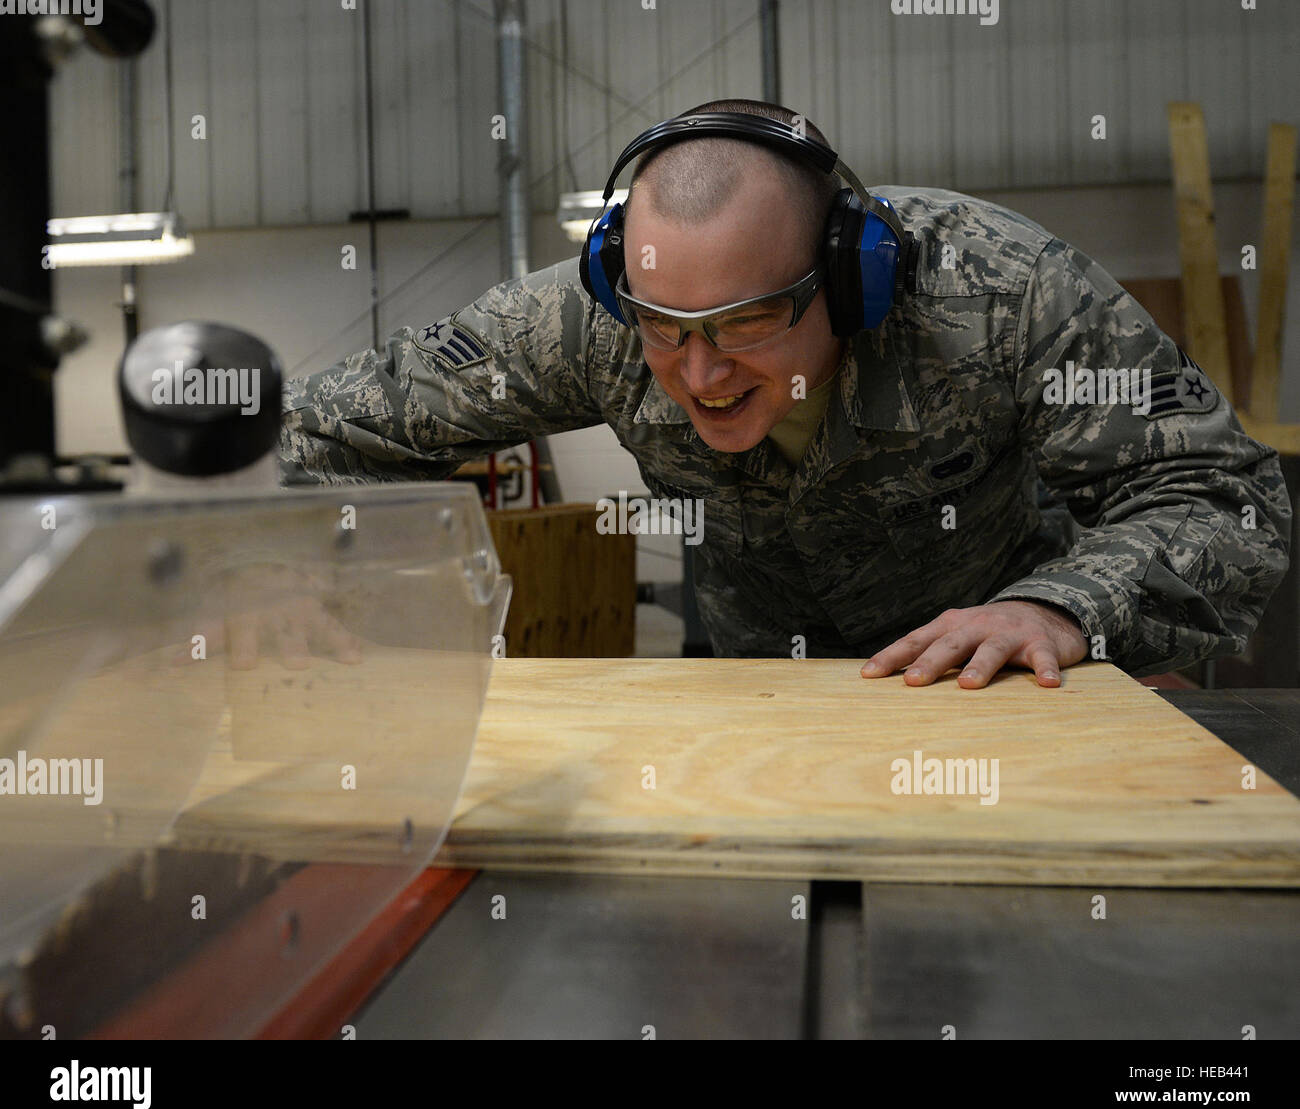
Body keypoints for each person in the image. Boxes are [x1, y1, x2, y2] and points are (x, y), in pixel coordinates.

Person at [279, 98, 1291, 689]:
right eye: (664, 332)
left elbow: (1220, 493)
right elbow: (322, 428)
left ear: (853, 276)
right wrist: (293, 574)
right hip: (767, 703)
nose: (702, 375)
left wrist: (1065, 606)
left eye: (748, 324)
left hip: (1007, 695)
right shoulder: (589, 318)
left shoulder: (1002, 291)